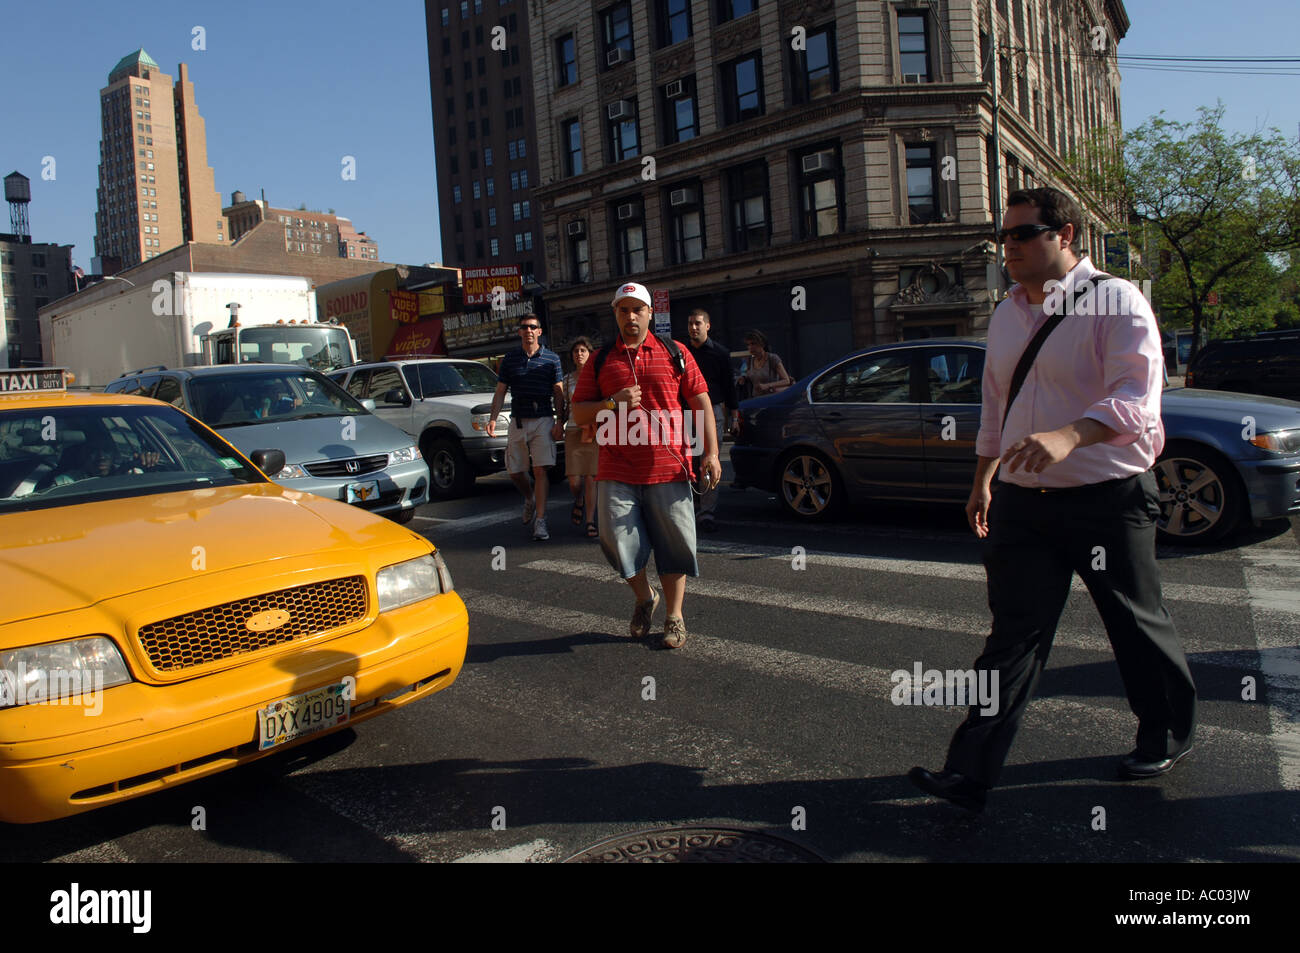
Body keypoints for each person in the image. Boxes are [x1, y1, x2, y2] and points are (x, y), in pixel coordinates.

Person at [909, 187, 1197, 813]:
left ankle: (1164, 733)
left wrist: (1072, 434)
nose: (1008, 246)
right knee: (1012, 636)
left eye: (1022, 234)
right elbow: (994, 403)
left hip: (1108, 497)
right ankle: (970, 770)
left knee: (1135, 624)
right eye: (1003, 236)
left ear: (1064, 235)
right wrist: (982, 478)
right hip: (1022, 502)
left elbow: (1137, 396)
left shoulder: (1116, 300)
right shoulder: (1008, 312)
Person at [571, 282, 720, 649]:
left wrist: (711, 453)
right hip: (617, 470)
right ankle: (644, 597)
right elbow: (579, 411)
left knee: (674, 546)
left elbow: (701, 402)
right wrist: (612, 402)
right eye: (623, 310)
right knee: (616, 543)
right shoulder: (601, 359)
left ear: (650, 313)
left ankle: (674, 616)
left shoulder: (675, 351)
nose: (631, 316)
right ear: (616, 315)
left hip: (668, 468)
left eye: (638, 309)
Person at [487, 316, 565, 540]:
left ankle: (540, 521)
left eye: (533, 327)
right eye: (524, 327)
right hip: (518, 419)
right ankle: (529, 497)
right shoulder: (510, 359)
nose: (529, 330)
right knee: (514, 470)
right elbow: (501, 391)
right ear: (519, 332)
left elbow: (558, 392)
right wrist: (493, 418)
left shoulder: (552, 358)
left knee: (541, 470)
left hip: (543, 418)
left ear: (540, 331)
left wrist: (560, 421)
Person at [685, 309, 739, 531]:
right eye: (690, 324)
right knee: (687, 461)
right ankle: (692, 506)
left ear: (707, 326)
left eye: (698, 323)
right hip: (685, 413)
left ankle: (706, 512)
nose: (693, 327)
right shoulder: (682, 353)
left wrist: (734, 416)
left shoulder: (720, 353)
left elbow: (729, 386)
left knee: (708, 459)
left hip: (712, 412)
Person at [562, 336, 599, 537]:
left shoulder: (596, 377)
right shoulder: (567, 379)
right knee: (574, 481)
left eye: (583, 350)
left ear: (589, 353)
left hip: (592, 430)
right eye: (576, 351)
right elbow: (564, 406)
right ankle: (579, 499)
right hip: (573, 430)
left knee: (591, 477)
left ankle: (590, 520)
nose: (579, 354)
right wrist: (559, 424)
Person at [736, 329, 792, 398]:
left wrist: (767, 385)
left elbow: (786, 381)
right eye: (748, 344)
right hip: (756, 400)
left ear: (762, 344)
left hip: (772, 398)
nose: (750, 347)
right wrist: (744, 378)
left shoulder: (772, 358)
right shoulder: (749, 360)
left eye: (753, 343)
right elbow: (752, 375)